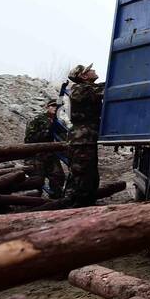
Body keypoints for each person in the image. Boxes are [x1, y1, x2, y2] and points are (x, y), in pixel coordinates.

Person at [64, 64, 103, 207]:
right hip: (81, 141)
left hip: (85, 140)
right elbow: (107, 89)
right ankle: (75, 210)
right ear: (84, 76)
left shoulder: (87, 89)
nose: (94, 70)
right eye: (90, 70)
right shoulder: (80, 89)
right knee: (82, 179)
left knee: (89, 177)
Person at [24, 99, 65, 199]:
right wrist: (47, 130)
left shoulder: (59, 122)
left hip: (50, 154)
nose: (55, 108)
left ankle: (56, 198)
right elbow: (29, 139)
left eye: (57, 106)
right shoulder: (37, 119)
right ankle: (32, 200)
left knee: (58, 176)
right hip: (36, 154)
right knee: (37, 179)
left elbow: (63, 138)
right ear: (47, 107)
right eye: (52, 106)